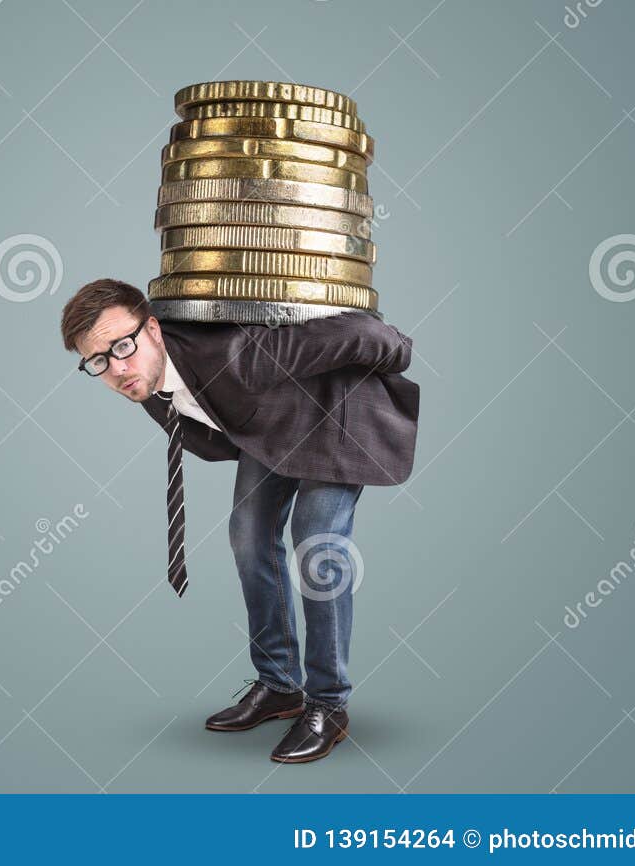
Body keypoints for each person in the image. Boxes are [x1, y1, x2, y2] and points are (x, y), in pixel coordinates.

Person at [59, 279, 419, 763]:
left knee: (316, 542)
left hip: (336, 409)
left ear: (154, 329)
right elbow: (213, 430)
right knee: (248, 535)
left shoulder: (235, 354)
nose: (117, 367)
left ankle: (328, 703)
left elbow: (359, 331)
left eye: (123, 346)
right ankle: (279, 685)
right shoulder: (141, 382)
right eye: (98, 361)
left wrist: (400, 352)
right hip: (273, 420)